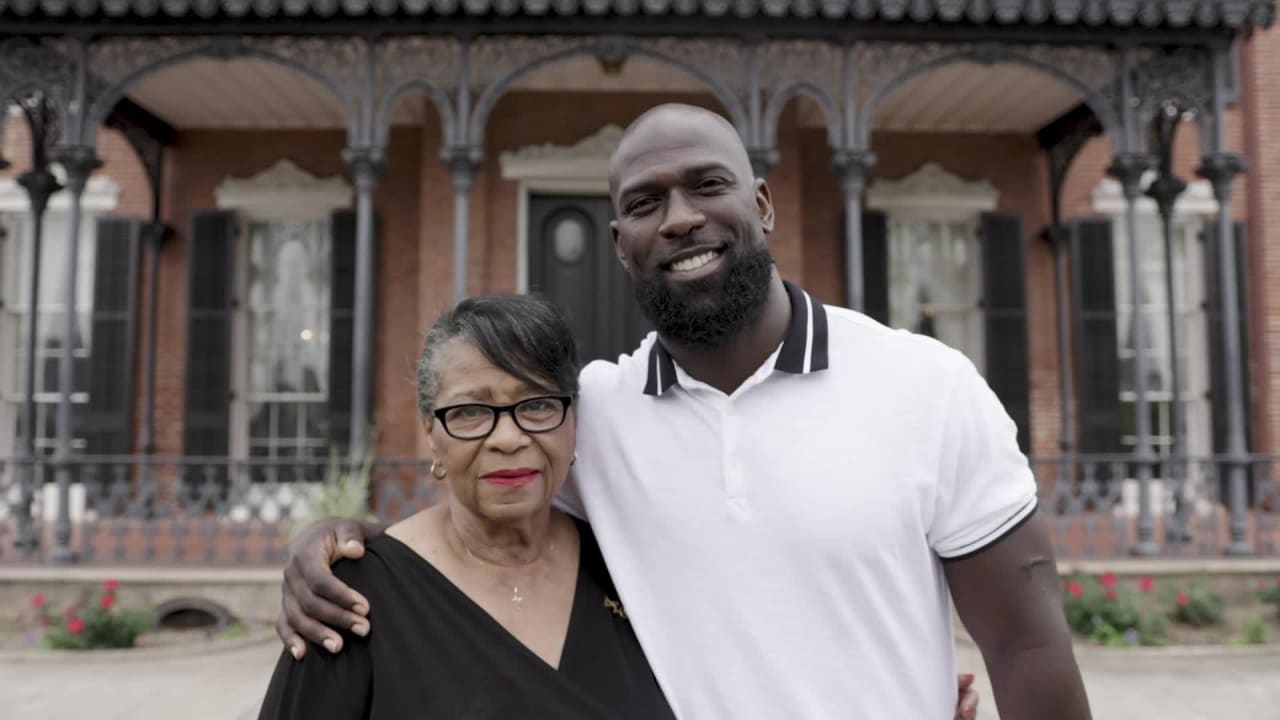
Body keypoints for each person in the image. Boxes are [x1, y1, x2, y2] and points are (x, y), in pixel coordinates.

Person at [276, 103, 1089, 718]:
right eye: (646, 202)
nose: (681, 217)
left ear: (763, 204)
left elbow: (1025, 642)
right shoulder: (592, 414)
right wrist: (343, 543)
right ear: (621, 240)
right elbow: (483, 488)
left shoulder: (926, 386)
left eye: (708, 185)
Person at [258, 295, 678, 719]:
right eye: (472, 412)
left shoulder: (624, 568)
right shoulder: (349, 597)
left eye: (537, 406)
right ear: (430, 429)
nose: (508, 439)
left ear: (573, 419)